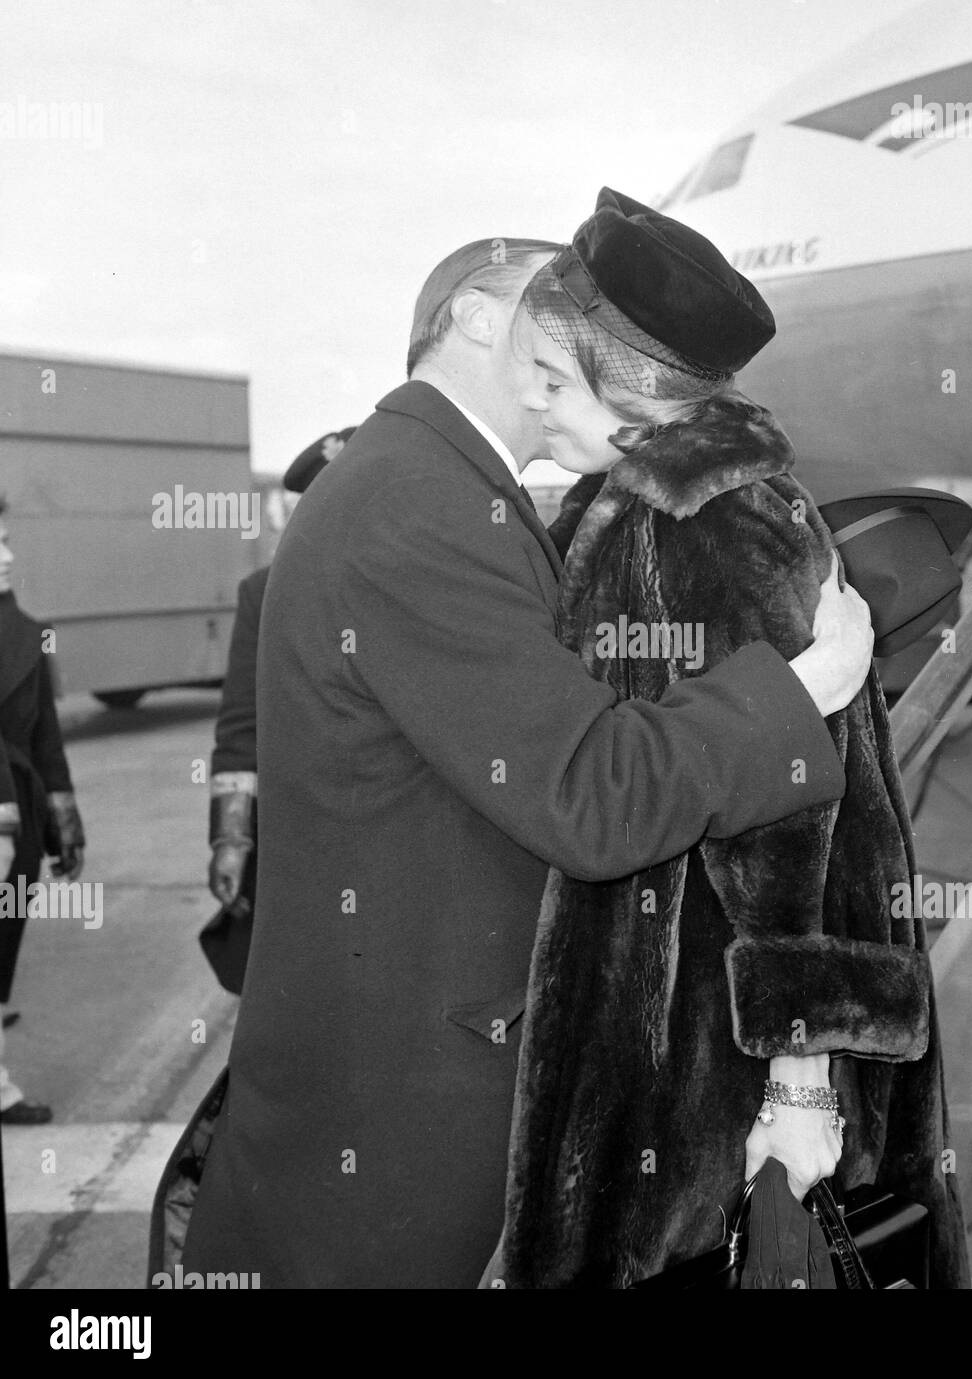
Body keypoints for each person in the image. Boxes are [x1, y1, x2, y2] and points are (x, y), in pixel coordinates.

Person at [154, 235, 876, 1287]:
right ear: (483, 321)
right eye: (556, 308)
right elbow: (587, 793)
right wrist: (802, 689)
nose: (578, 345)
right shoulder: (418, 500)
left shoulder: (437, 484)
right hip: (405, 1115)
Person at [492, 188, 970, 1287]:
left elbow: (800, 826)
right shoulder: (634, 502)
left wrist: (799, 1089)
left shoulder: (714, 517)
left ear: (636, 389)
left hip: (703, 1049)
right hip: (660, 1010)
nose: (533, 405)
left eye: (554, 380)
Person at [203, 427, 354, 994]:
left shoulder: (411, 584)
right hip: (297, 837)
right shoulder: (262, 593)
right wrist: (232, 839)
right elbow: (242, 724)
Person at [0, 497, 85, 1125]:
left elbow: (46, 740)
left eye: (6, 540)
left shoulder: (28, 630)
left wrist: (64, 828)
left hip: (17, 824)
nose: (6, 557)